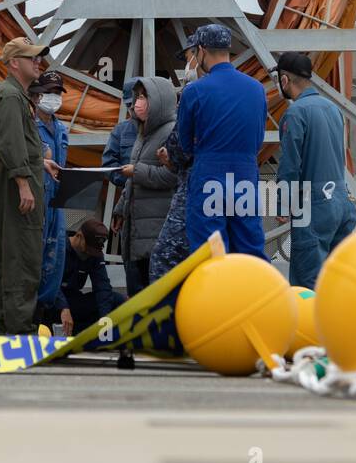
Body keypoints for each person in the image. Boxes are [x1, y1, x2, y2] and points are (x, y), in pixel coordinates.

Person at [0, 37, 58, 335]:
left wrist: (40, 163)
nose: (38, 62)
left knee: (8, 257)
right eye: (32, 58)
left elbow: (17, 143)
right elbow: (10, 143)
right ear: (14, 62)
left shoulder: (13, 95)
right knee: (22, 256)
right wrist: (24, 183)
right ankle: (18, 329)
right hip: (16, 184)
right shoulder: (13, 97)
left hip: (13, 177)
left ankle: (5, 325)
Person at [174, 24, 267, 257]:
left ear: (202, 50)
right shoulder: (257, 89)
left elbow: (184, 145)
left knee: (211, 253)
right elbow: (258, 139)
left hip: (208, 175)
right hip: (245, 175)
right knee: (250, 250)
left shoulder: (194, 91)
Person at [274, 51, 356, 288]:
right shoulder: (333, 109)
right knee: (336, 283)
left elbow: (290, 166)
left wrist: (282, 205)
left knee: (306, 285)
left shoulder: (295, 113)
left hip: (314, 209)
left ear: (284, 81)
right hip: (342, 203)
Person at [113, 76, 178, 297]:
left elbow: (173, 176)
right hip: (136, 232)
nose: (137, 103)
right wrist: (121, 208)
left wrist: (137, 171)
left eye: (144, 96)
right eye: (137, 96)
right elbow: (133, 178)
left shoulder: (171, 132)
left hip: (156, 234)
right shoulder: (143, 134)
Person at [29, 71, 71, 332]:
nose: (53, 98)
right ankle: (30, 319)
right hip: (36, 202)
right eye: (49, 92)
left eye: (57, 93)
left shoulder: (62, 129)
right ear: (36, 95)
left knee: (54, 264)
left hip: (57, 203)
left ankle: (43, 316)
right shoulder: (30, 126)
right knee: (33, 260)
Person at [37, 219, 126, 335]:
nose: (89, 254)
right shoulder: (58, 247)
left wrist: (105, 319)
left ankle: (92, 334)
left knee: (117, 299)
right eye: (88, 249)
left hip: (73, 300)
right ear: (79, 236)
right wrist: (63, 307)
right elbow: (48, 279)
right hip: (51, 300)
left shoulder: (94, 254)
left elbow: (102, 287)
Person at [148, 128, 193, 282]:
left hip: (195, 189)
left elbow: (180, 149)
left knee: (164, 260)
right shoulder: (255, 104)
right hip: (241, 182)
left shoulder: (192, 104)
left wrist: (136, 172)